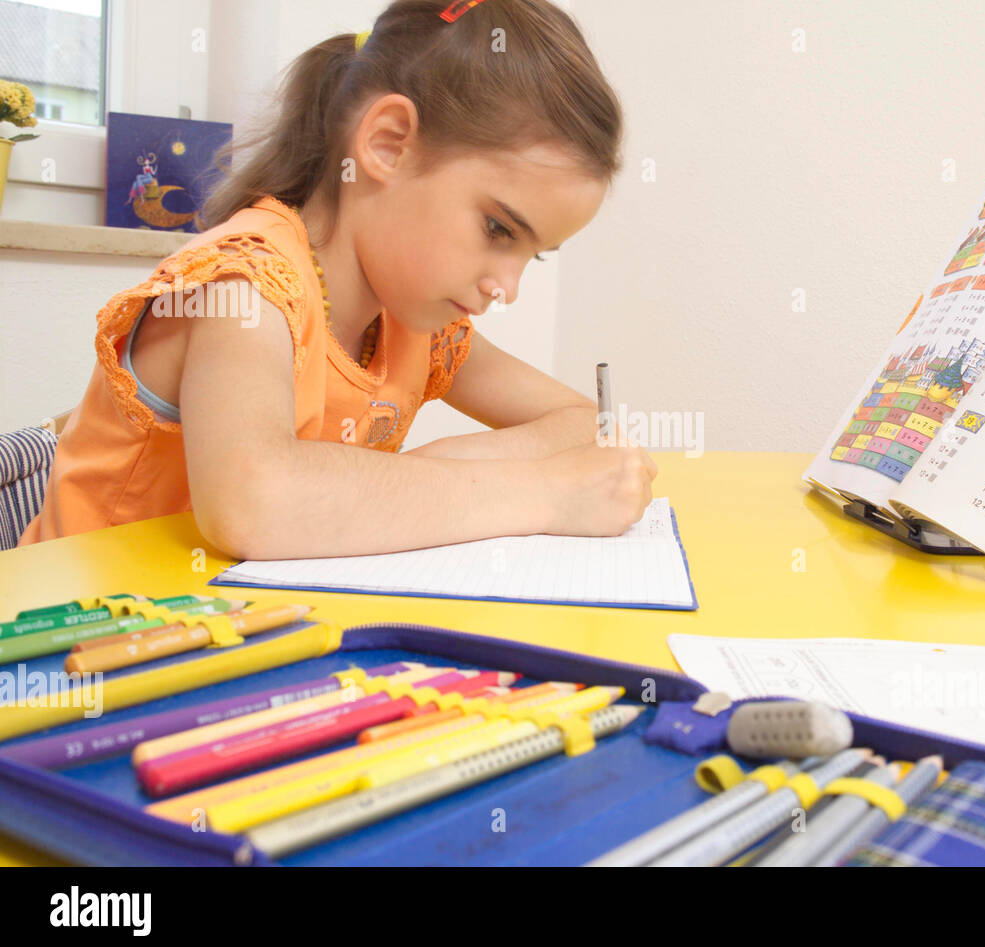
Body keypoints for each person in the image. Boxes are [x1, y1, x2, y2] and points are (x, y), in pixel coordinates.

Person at [20, 0, 657, 558]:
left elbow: (584, 423)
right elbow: (255, 502)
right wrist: (540, 492)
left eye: (534, 255)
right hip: (77, 646)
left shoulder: (419, 324)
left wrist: (436, 475)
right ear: (387, 144)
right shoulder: (245, 288)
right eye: (498, 230)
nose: (507, 287)